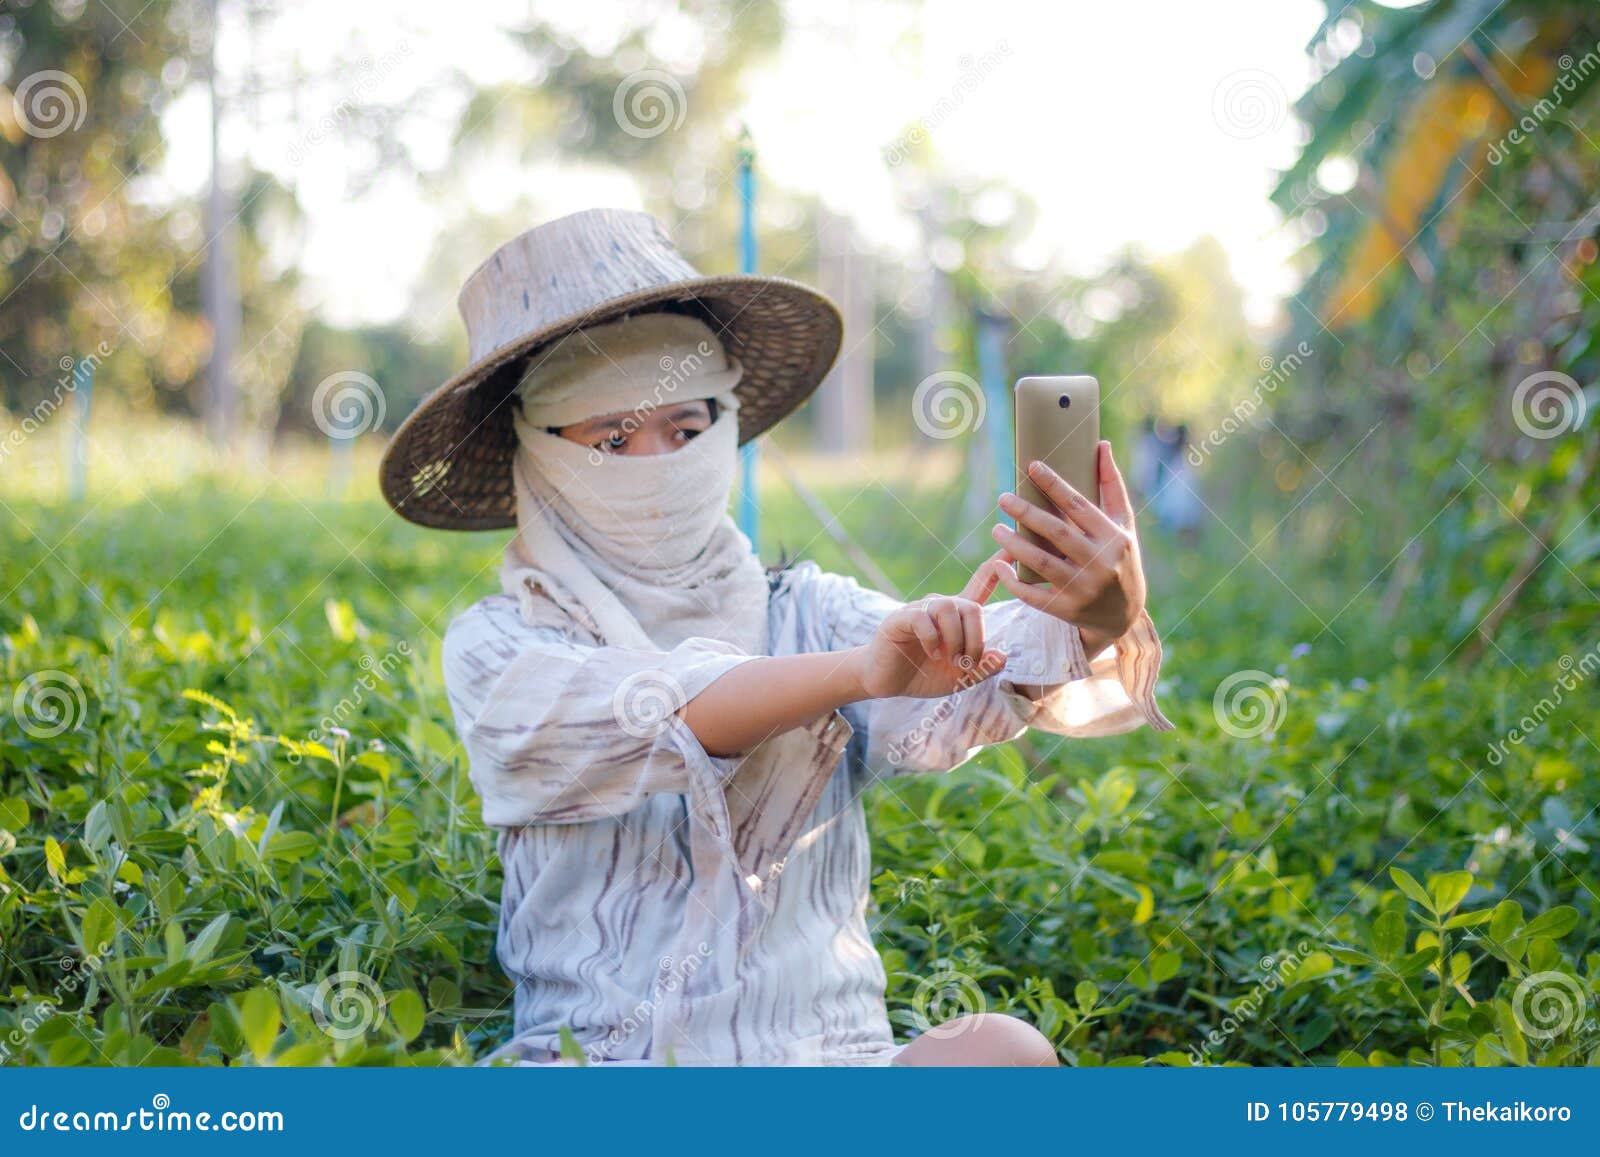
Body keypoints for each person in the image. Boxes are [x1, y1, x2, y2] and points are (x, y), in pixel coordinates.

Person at [378, 209, 1174, 1067]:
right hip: (607, 1073)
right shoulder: (501, 646)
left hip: (824, 1065)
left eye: (684, 429)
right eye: (613, 438)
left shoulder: (806, 609)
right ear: (539, 451)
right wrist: (860, 673)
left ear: (723, 426)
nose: (657, 462)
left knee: (1002, 1051)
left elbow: (986, 680)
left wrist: (1098, 611)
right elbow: (668, 713)